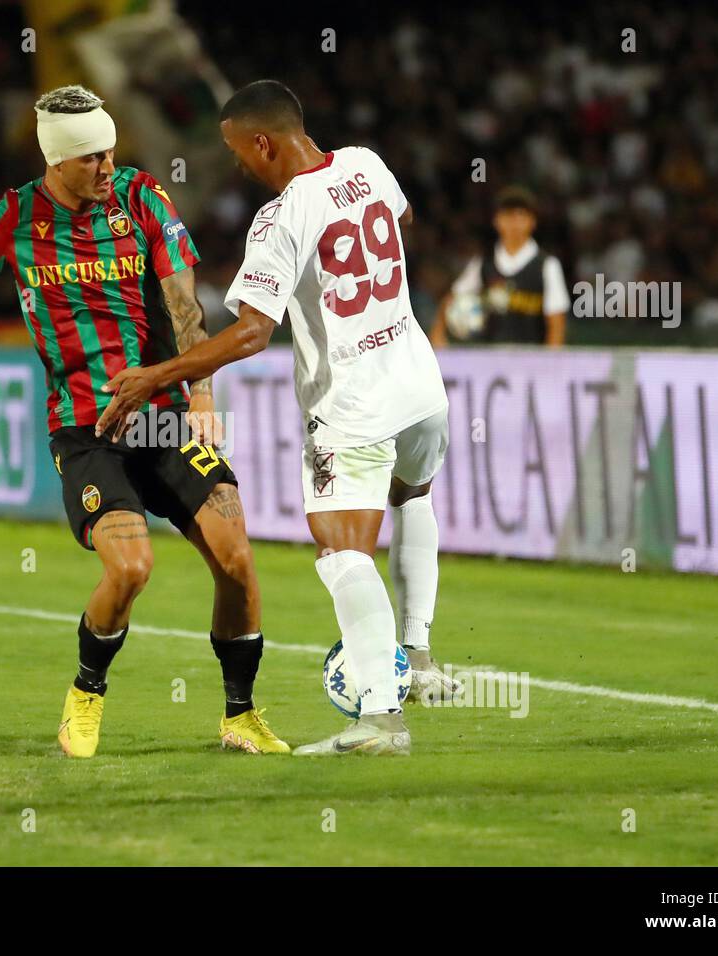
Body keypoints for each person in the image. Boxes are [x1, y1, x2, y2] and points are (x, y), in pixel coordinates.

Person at [0, 85, 288, 758]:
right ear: (58, 161)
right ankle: (85, 695)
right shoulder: (14, 218)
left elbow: (184, 307)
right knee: (131, 568)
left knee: (238, 557)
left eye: (110, 154)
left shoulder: (141, 200)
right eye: (93, 160)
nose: (107, 168)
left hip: (160, 420)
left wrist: (202, 395)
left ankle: (240, 717)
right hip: (84, 429)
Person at [97, 80, 461, 756]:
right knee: (413, 495)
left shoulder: (282, 216)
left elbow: (250, 333)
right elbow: (400, 224)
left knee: (343, 551)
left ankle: (381, 719)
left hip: (353, 403)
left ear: (262, 141)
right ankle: (420, 655)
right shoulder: (366, 162)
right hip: (419, 380)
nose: (241, 166)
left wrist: (158, 375)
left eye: (239, 152)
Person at [432, 186, 570, 346]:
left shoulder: (547, 265)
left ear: (533, 222)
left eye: (521, 216)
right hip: (491, 359)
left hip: (532, 360)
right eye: (508, 216)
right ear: (497, 220)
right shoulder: (485, 262)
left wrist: (551, 364)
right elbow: (453, 297)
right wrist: (437, 331)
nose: (514, 223)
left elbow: (556, 322)